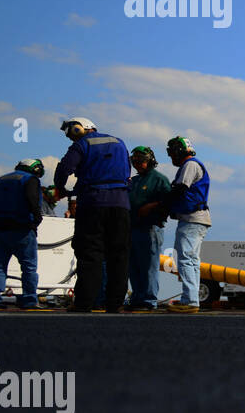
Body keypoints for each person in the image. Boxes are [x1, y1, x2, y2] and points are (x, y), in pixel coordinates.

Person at [54, 117, 131, 313]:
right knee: (119, 255)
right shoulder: (119, 142)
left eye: (72, 133)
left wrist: (60, 188)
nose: (72, 138)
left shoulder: (82, 144)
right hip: (120, 204)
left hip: (93, 203)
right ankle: (115, 303)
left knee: (90, 254)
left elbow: (64, 168)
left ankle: (84, 302)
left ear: (81, 129)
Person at [0, 159, 46, 311]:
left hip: (1, 229)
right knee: (29, 266)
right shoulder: (30, 180)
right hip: (22, 229)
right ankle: (30, 300)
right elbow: (32, 199)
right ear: (35, 169)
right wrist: (36, 219)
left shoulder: (1, 179)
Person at [157, 136, 210, 314]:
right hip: (197, 219)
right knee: (192, 261)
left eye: (172, 153)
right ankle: (192, 299)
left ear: (179, 152)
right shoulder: (193, 165)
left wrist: (161, 205)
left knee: (185, 259)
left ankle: (189, 300)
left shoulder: (190, 165)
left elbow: (180, 189)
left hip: (191, 219)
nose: (171, 157)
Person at [127, 146, 170, 312]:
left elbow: (168, 202)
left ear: (150, 161)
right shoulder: (134, 181)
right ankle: (137, 298)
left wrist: (152, 206)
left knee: (149, 266)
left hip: (151, 228)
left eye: (141, 161)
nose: (138, 164)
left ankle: (148, 299)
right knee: (134, 265)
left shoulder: (159, 179)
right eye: (135, 161)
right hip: (133, 228)